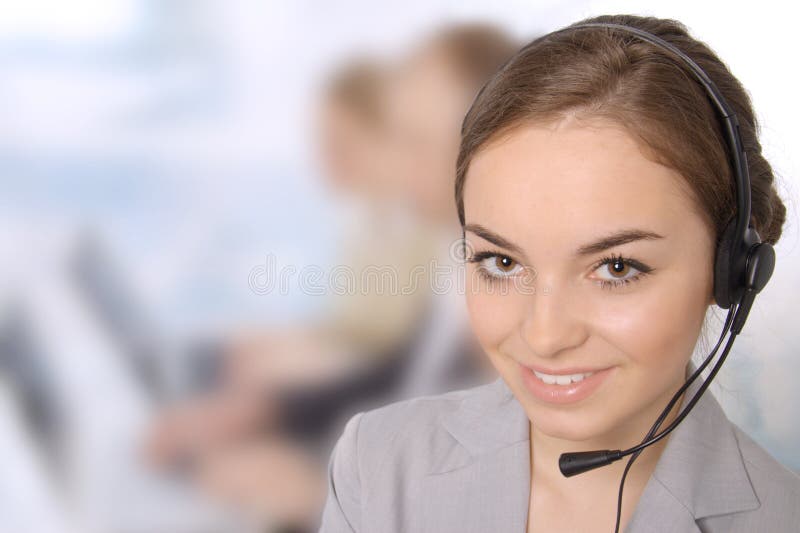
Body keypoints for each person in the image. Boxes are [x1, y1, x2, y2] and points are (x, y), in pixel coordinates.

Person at [318, 14, 800, 533]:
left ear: (730, 269)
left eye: (616, 268)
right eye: (501, 262)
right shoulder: (377, 470)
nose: (545, 336)